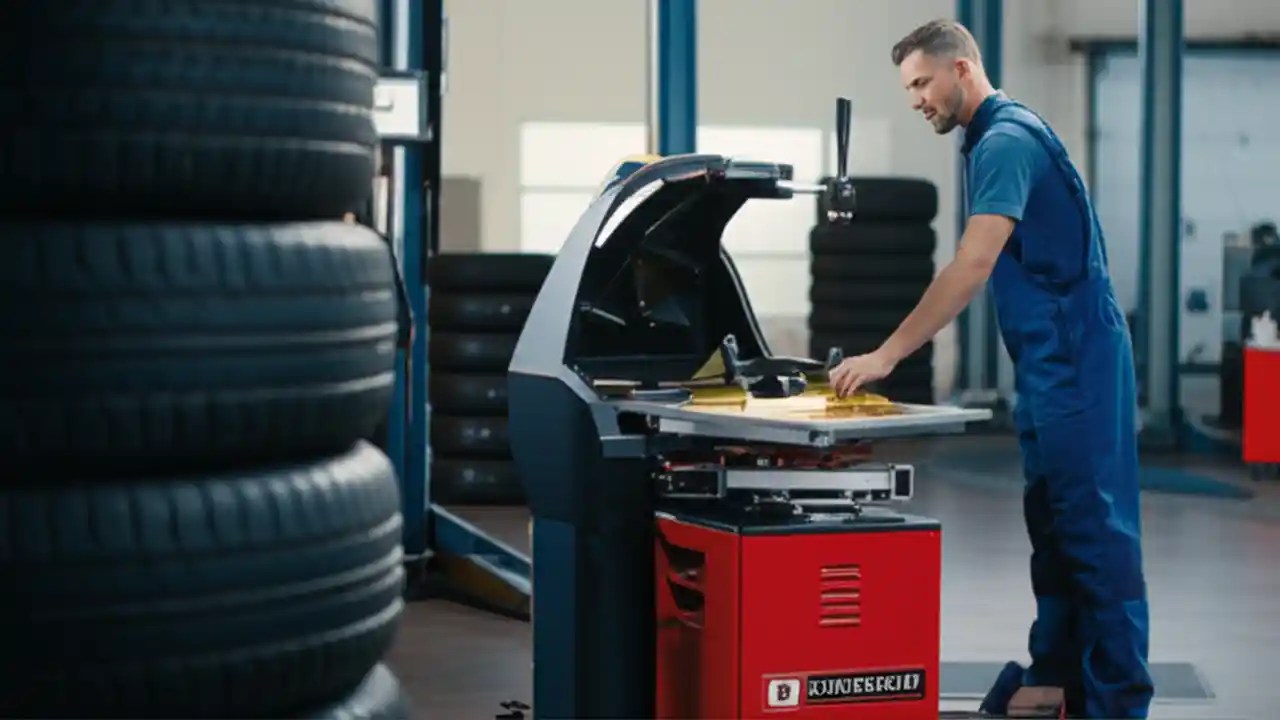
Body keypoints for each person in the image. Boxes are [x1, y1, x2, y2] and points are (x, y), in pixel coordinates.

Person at [827, 18, 1155, 719]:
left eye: (921, 82)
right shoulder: (990, 137)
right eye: (908, 86)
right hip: (1048, 363)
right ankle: (1059, 678)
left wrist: (889, 353)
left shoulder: (1005, 141)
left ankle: (1120, 702)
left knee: (1095, 535)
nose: (915, 99)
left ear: (962, 70)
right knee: (1054, 527)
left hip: (1078, 359)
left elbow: (972, 264)